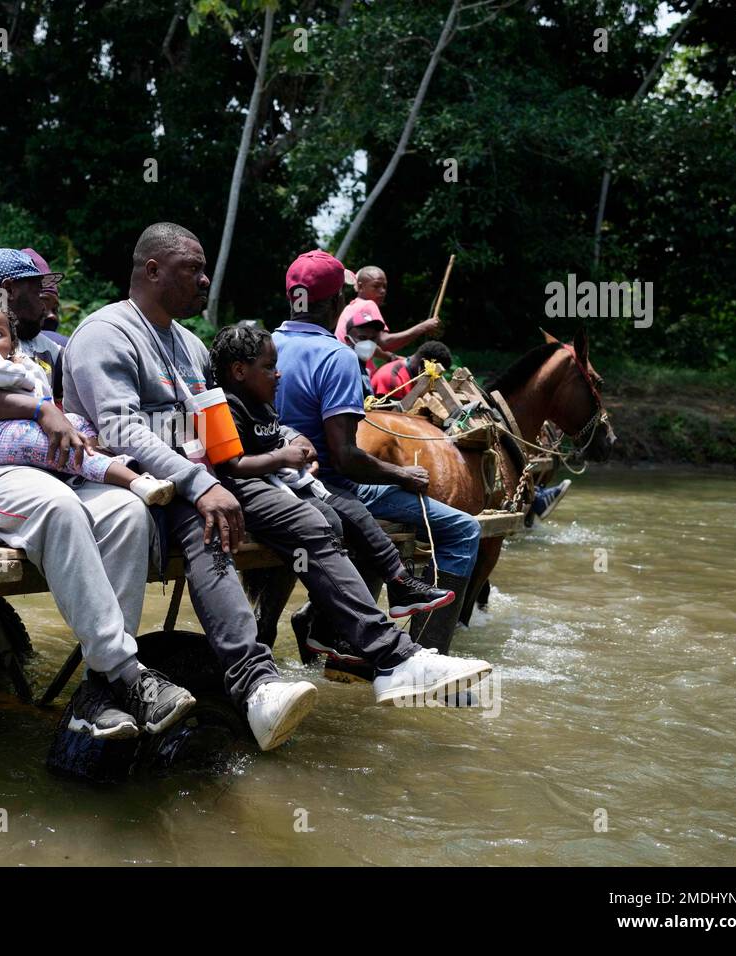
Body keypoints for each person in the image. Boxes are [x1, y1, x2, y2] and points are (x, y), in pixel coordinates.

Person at [64, 223, 492, 741]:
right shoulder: (105, 334)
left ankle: (392, 658)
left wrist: (281, 446)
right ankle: (255, 682)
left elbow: (227, 418)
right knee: (212, 527)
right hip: (140, 486)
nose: (204, 281)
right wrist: (200, 486)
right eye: (192, 270)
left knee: (310, 518)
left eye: (204, 270)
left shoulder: (190, 345)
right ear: (152, 270)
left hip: (207, 476)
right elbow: (120, 430)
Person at [0, 247, 196, 740]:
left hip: (52, 463)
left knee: (126, 511)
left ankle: (98, 688)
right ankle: (128, 675)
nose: (48, 292)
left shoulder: (40, 347)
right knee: (60, 507)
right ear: (3, 291)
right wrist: (36, 410)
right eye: (36, 284)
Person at [274, 250, 482, 664]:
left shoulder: (265, 346)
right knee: (464, 531)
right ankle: (428, 652)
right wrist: (401, 474)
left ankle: (331, 624)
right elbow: (347, 457)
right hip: (330, 485)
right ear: (337, 304)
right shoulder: (337, 357)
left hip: (276, 484)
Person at [209, 323, 454, 620]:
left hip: (289, 481)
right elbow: (233, 464)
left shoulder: (263, 402)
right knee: (330, 521)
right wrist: (282, 457)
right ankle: (334, 613)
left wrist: (296, 442)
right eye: (270, 367)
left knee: (355, 510)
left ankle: (399, 581)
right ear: (239, 371)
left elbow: (277, 431)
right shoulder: (229, 407)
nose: (279, 374)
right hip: (265, 487)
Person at [0, 302, 174, 505]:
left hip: (29, 424)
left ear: (11, 341)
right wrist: (24, 369)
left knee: (80, 423)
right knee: (66, 448)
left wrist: (24, 365)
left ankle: (103, 460)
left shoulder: (14, 360)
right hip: (1, 432)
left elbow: (42, 391)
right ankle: (134, 481)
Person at [335, 266, 441, 381]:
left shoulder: (351, 307)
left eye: (384, 286)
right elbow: (385, 343)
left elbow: (367, 345)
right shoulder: (369, 304)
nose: (382, 291)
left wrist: (391, 357)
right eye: (376, 286)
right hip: (356, 374)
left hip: (341, 369)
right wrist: (424, 327)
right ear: (360, 286)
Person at [371, 340, 454, 400]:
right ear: (423, 364)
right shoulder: (393, 379)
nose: (433, 380)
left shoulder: (410, 374)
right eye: (433, 375)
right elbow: (388, 418)